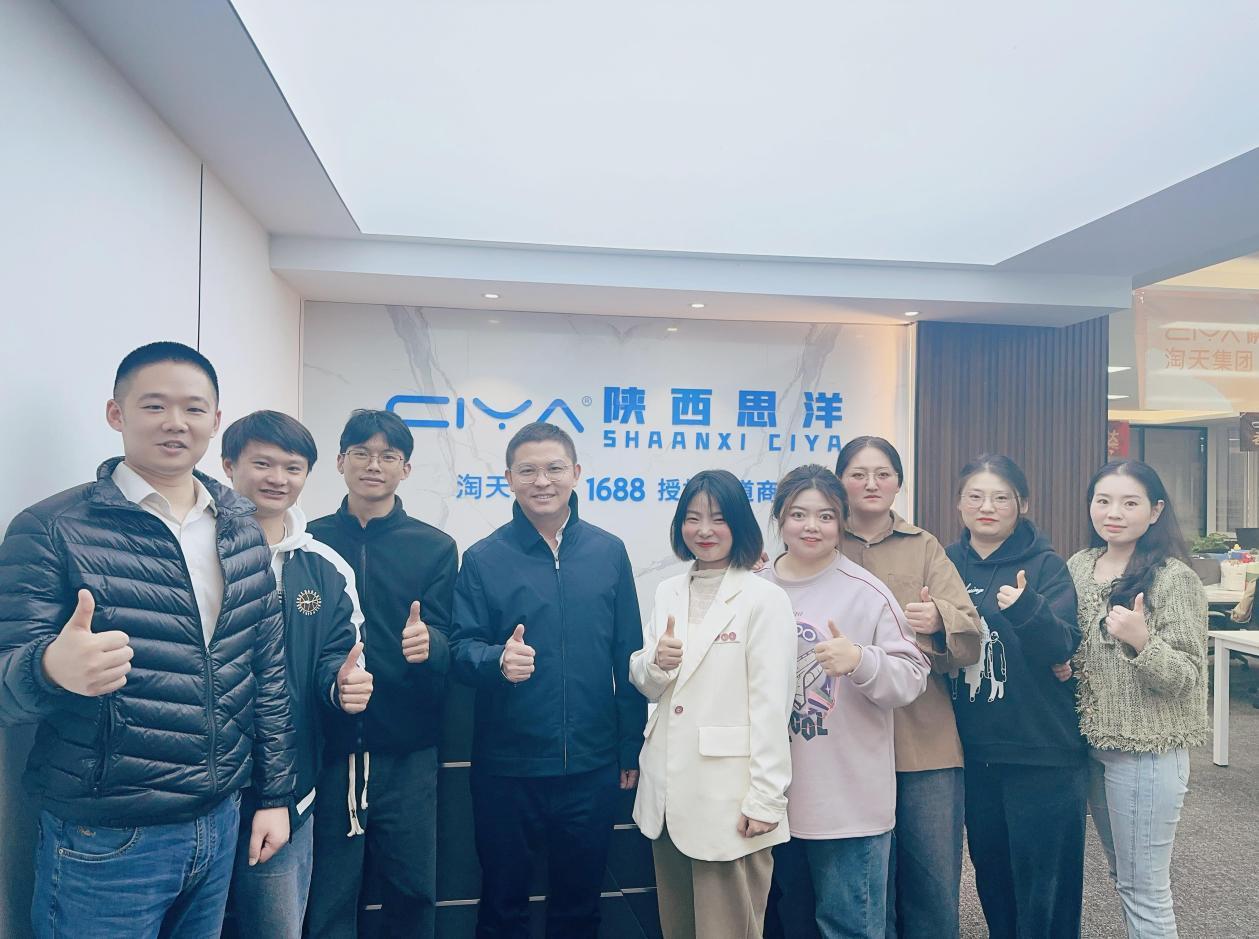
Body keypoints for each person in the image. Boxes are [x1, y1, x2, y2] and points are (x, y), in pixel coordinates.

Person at [0, 341, 294, 939]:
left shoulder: (240, 528)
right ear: (117, 413)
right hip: (107, 834)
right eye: (154, 406)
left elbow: (266, 673)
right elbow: (9, 684)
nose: (175, 423)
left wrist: (274, 795)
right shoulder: (52, 528)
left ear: (215, 419)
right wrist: (49, 668)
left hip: (219, 820)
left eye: (193, 408)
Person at [451, 421, 646, 939]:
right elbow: (459, 648)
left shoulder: (608, 552)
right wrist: (497, 660)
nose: (542, 481)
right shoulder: (483, 558)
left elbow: (627, 656)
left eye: (555, 468)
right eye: (528, 470)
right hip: (507, 768)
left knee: (579, 908)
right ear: (508, 479)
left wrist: (629, 746)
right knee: (502, 907)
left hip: (591, 766)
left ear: (576, 473)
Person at [219, 410, 373, 939]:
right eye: (262, 464)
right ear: (229, 465)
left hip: (289, 789)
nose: (278, 479)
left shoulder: (324, 566)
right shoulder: (197, 551)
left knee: (278, 927)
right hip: (200, 790)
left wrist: (343, 686)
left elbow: (340, 654)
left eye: (292, 467)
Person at [305, 409, 457, 939]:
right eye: (362, 454)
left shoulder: (435, 546)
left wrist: (431, 643)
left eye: (388, 456)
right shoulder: (309, 542)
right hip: (329, 746)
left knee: (412, 891)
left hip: (407, 750)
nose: (374, 465)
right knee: (328, 894)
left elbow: (451, 637)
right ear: (340, 461)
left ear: (405, 469)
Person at [760, 465, 928, 939]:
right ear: (779, 518)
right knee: (790, 926)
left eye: (826, 516)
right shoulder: (755, 590)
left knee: (850, 928)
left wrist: (860, 660)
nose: (811, 526)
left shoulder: (866, 591)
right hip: (772, 803)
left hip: (848, 807)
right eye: (798, 514)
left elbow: (912, 676)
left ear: (842, 522)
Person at [630, 470, 796, 939]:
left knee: (729, 930)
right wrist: (656, 664)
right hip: (668, 797)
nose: (704, 530)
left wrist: (766, 798)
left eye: (718, 519)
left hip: (730, 800)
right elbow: (647, 682)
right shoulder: (667, 590)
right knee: (678, 927)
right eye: (692, 518)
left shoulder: (764, 598)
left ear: (739, 525)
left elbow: (772, 706)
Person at [833, 436, 981, 939]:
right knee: (860, 887)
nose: (871, 484)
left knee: (932, 882)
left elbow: (970, 630)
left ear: (898, 482)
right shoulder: (822, 541)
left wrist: (939, 619)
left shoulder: (924, 546)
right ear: (840, 482)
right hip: (843, 736)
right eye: (858, 474)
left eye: (883, 474)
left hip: (923, 739)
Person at [943, 455, 1085, 939]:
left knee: (1045, 888)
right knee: (994, 878)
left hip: (1041, 750)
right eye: (975, 496)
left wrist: (1027, 609)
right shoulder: (946, 562)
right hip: (974, 751)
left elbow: (1062, 646)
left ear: (1021, 504)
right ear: (959, 503)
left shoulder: (1046, 566)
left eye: (1000, 497)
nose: (987, 507)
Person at [1064, 460, 1207, 939]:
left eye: (1130, 503)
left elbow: (1187, 677)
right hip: (1090, 747)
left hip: (1147, 752)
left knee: (1145, 890)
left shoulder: (1173, 578)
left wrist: (1142, 641)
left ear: (1155, 511)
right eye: (1103, 501)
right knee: (1122, 878)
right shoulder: (1078, 566)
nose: (1114, 513)